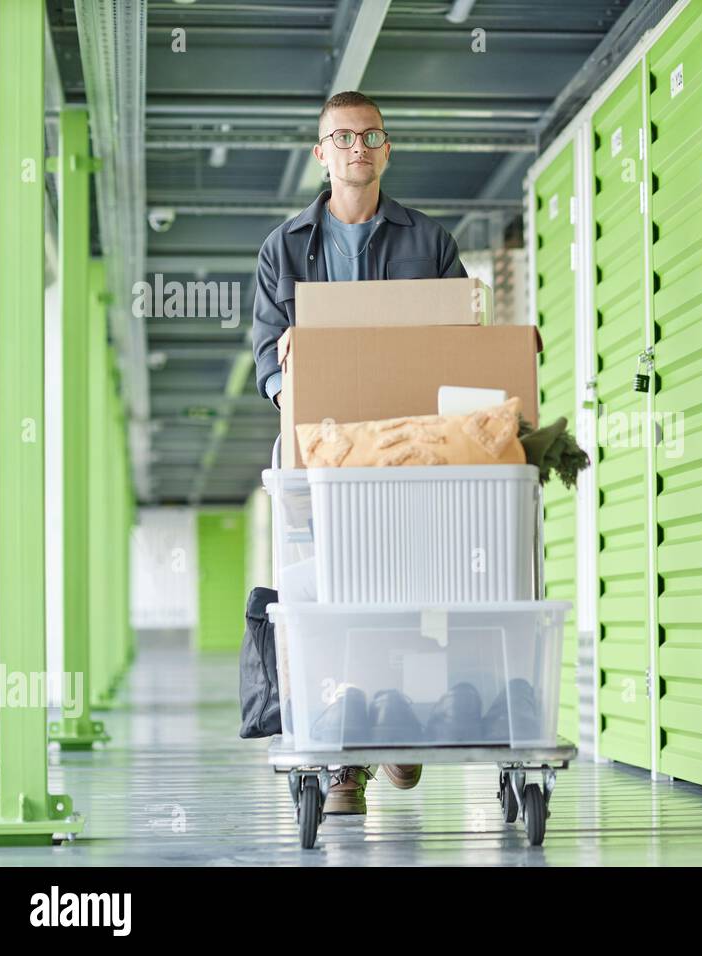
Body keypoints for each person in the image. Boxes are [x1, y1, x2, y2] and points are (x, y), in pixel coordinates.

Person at [251, 90, 468, 815]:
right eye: (341, 138)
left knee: (404, 585)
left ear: (386, 148)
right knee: (328, 592)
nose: (357, 149)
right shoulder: (283, 247)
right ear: (321, 153)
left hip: (406, 449)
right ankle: (344, 755)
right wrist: (295, 393)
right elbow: (266, 357)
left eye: (370, 136)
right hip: (320, 452)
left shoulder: (429, 241)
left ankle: (397, 725)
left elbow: (457, 337)